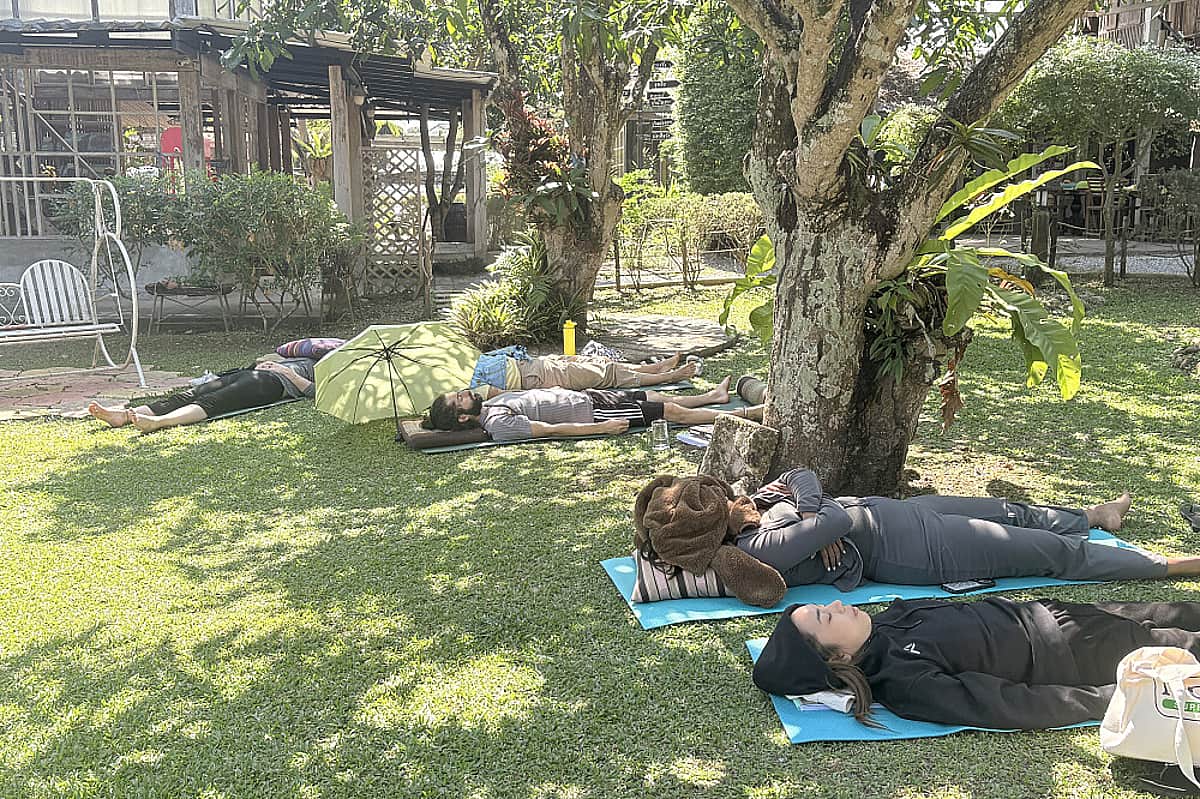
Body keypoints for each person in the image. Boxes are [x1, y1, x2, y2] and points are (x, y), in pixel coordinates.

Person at [662, 467, 1200, 591]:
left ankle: (1093, 517)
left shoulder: (762, 504)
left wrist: (809, 517)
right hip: (920, 550)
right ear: (719, 527)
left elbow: (804, 473)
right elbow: (841, 518)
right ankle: (1172, 565)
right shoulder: (762, 547)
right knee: (1050, 553)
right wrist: (818, 520)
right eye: (729, 501)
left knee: (1008, 510)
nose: (741, 496)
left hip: (909, 510)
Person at [752, 595, 1200, 730]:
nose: (837, 604)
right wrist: (1113, 699)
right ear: (839, 657)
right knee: (1185, 643)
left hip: (1059, 612)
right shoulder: (904, 682)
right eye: (826, 617)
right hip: (1076, 650)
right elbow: (1004, 704)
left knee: (1180, 610)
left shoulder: (889, 618)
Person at [423, 376, 762, 441]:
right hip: (592, 415)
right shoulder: (498, 423)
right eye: (459, 400)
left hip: (586, 397)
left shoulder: (492, 401)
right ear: (463, 416)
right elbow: (551, 431)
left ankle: (713, 397)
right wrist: (602, 428)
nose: (465, 393)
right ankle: (748, 415)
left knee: (655, 396)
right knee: (672, 414)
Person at [87, 356, 317, 432]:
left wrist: (287, 372)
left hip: (273, 385)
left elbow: (314, 392)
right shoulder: (315, 352)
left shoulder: (332, 367)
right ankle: (125, 415)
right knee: (188, 395)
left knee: (213, 402)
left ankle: (157, 422)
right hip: (253, 373)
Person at [469, 349, 702, 398]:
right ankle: (668, 377)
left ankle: (652, 368)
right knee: (605, 374)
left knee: (600, 362)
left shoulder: (472, 360)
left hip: (535, 363)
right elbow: (509, 396)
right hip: (539, 378)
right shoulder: (473, 387)